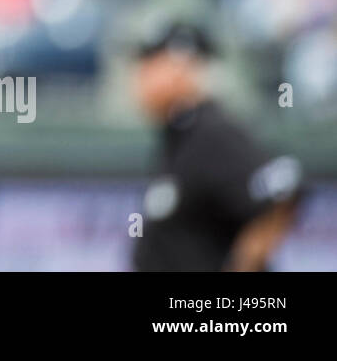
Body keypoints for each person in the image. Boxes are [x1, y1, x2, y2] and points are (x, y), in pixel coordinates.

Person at [130, 23, 305, 271]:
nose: (140, 78)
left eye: (150, 66)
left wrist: (246, 264)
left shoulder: (211, 132)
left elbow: (284, 186)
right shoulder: (178, 136)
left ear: (182, 67)